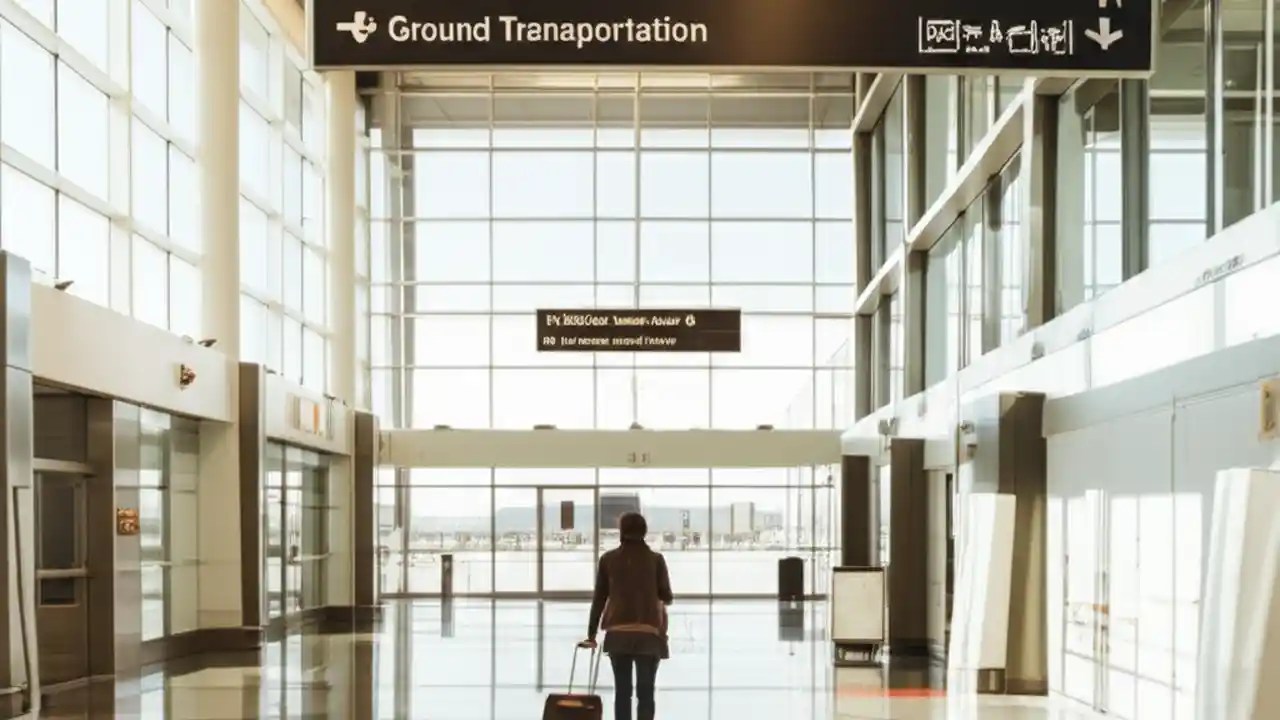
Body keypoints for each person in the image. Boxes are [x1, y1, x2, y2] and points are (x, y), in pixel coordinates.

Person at [583, 512, 672, 720]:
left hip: (618, 635)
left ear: (621, 531)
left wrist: (591, 634)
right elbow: (666, 596)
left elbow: (599, 599)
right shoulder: (656, 560)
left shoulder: (608, 560)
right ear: (644, 531)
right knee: (646, 693)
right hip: (648, 634)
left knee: (622, 693)